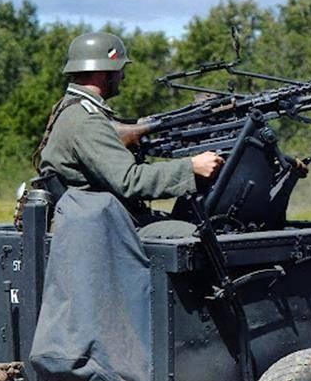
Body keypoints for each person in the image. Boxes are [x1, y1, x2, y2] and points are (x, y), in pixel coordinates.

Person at [35, 32, 224, 237]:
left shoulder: (69, 108)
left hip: (95, 219)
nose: (122, 76)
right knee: (205, 236)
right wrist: (191, 167)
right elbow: (129, 181)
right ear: (103, 72)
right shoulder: (87, 120)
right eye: (119, 70)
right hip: (103, 228)